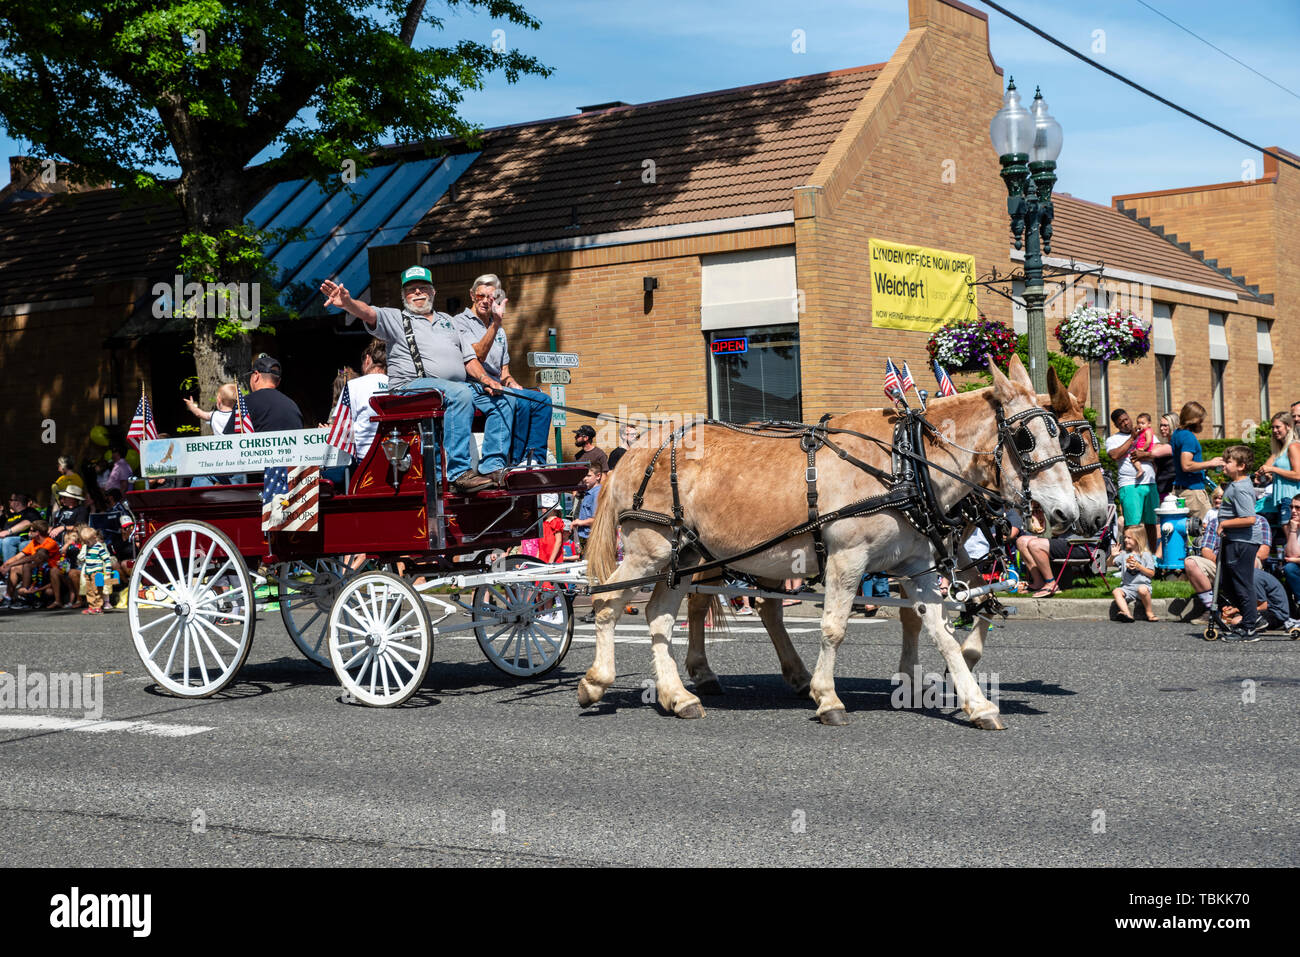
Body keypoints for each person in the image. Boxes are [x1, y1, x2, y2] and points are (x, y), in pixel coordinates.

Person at [320, 268, 509, 494]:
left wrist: (488, 380)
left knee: (511, 400)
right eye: (411, 289)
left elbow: (469, 359)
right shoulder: (397, 318)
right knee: (461, 393)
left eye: (423, 288)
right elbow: (368, 313)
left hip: (451, 388)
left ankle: (498, 468)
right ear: (404, 295)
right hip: (410, 388)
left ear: (433, 291)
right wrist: (348, 302)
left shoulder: (448, 321)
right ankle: (458, 473)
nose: (418, 292)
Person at [451, 274, 551, 466]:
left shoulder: (500, 331)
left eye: (491, 298)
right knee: (517, 401)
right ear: (472, 296)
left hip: (499, 386)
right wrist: (496, 324)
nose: (486, 301)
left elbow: (504, 372)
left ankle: (535, 460)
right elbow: (476, 355)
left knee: (542, 400)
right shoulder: (459, 322)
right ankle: (515, 462)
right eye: (481, 296)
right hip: (474, 386)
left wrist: (512, 383)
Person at [1183, 510, 1271, 619]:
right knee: (1190, 562)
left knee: (1251, 562)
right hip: (1219, 562)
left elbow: (1264, 552)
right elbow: (1206, 550)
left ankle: (1246, 610)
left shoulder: (1259, 521)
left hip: (1247, 562)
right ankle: (1212, 609)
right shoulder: (1216, 522)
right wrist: (1224, 562)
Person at [1216, 445, 1264, 640]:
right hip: (1234, 540)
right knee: (1227, 582)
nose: (1224, 465)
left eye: (1228, 462)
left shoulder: (1242, 488)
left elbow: (1249, 518)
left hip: (1243, 542)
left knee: (1241, 584)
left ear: (1241, 466)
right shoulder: (1235, 485)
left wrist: (1224, 524)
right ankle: (1254, 617)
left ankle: (1249, 628)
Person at [1105, 408, 1158, 553]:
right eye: (1121, 422)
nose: (1125, 423)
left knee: (1151, 523)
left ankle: (1153, 558)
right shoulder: (1113, 440)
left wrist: (1143, 455)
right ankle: (1130, 559)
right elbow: (1115, 455)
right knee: (1132, 525)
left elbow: (1157, 453)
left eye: (1126, 419)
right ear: (1116, 425)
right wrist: (1132, 438)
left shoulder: (1146, 431)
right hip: (1130, 485)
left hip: (1150, 483)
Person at [1169, 402, 1223, 522]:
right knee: (1209, 527)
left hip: (1180, 490)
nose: (1202, 423)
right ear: (1193, 419)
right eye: (1200, 419)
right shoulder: (1188, 436)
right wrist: (1211, 463)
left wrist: (1203, 466)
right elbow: (1186, 465)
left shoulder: (1177, 434)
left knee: (1184, 531)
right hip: (1192, 492)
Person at [1256, 411, 1300, 524]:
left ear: (1289, 426)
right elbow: (1279, 473)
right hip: (1281, 498)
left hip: (1291, 498)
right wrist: (1267, 476)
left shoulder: (1293, 446)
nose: (1275, 430)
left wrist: (1273, 469)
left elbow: (1298, 475)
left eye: (1278, 427)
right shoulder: (1281, 449)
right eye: (1273, 427)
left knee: (1292, 536)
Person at [245, 355, 304, 432]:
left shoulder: (245, 403)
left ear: (256, 376)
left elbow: (228, 439)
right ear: (278, 381)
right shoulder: (293, 406)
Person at [1110, 527, 1158, 622]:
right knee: (1116, 591)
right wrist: (1112, 556)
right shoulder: (1124, 554)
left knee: (1142, 590)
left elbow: (1151, 573)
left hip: (1143, 586)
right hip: (1127, 587)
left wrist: (1138, 566)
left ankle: (1149, 612)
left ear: (1138, 539)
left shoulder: (1145, 555)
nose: (1125, 540)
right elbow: (1109, 564)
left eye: (1129, 538)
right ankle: (1127, 614)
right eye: (1125, 537)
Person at [1140, 413, 1180, 502]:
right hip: (1161, 488)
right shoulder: (1165, 445)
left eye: (1165, 425)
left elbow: (1153, 453)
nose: (1162, 428)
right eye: (1161, 425)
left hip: (1171, 491)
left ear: (1174, 425)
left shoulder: (1175, 444)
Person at [78, 525, 114, 615]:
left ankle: (98, 607)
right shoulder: (87, 547)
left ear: (94, 538)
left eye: (88, 541)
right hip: (88, 572)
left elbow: (106, 559)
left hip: (97, 572)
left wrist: (108, 569)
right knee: (89, 590)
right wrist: (81, 557)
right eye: (85, 542)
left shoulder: (99, 547)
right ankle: (91, 606)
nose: (86, 543)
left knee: (97, 589)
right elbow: (83, 558)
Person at [0, 492, 40, 563]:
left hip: (23, 538)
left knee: (7, 541)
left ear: (17, 503)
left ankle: (7, 570)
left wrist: (8, 531)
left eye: (11, 500)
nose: (9, 502)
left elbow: (27, 523)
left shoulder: (30, 511)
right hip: (7, 538)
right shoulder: (11, 515)